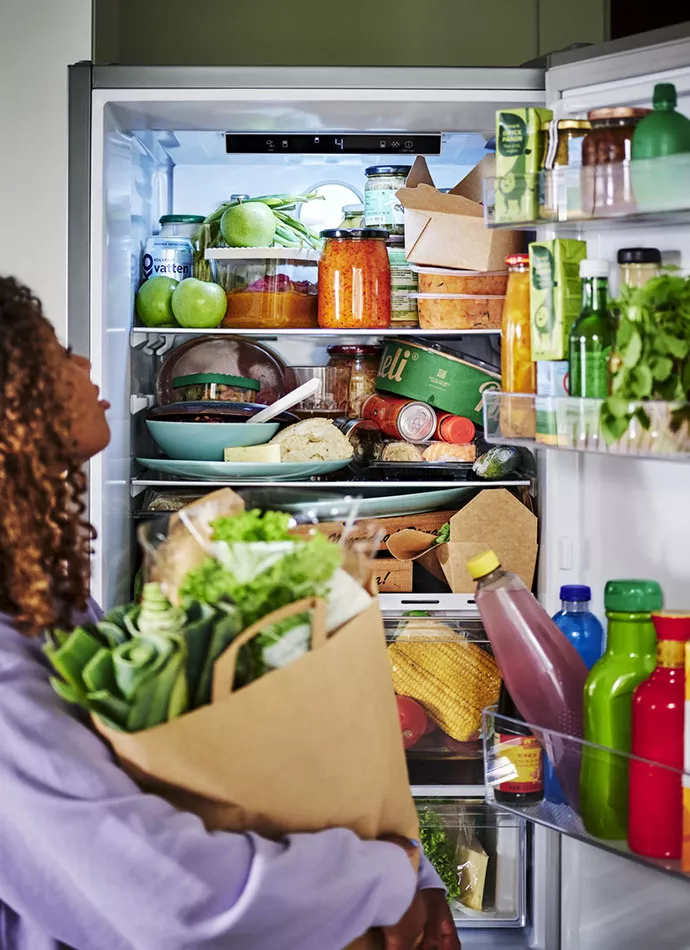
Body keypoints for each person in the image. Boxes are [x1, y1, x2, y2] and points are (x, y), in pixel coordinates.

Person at [0, 276, 461, 950]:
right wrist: (385, 880)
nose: (83, 362)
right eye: (54, 353)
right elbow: (163, 896)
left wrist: (411, 875)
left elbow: (182, 769)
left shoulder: (37, 591)